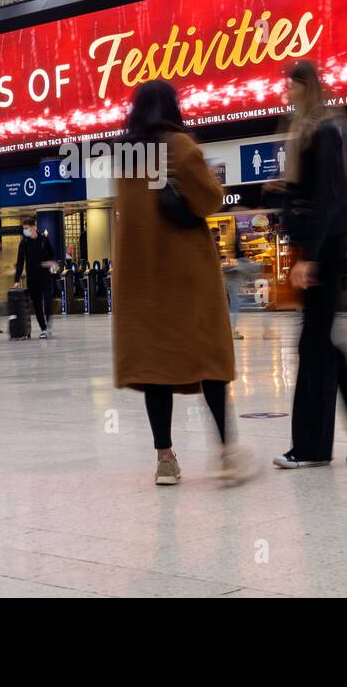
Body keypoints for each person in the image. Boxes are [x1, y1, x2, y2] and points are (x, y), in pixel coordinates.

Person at [112, 80, 255, 486]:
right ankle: (227, 453)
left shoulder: (125, 157)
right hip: (187, 278)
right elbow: (210, 200)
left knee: (155, 366)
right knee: (210, 361)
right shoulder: (181, 147)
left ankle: (165, 459)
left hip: (143, 282)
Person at [273, 61, 347, 469]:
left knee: (313, 345)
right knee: (321, 346)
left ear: (305, 86)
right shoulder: (304, 129)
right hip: (319, 247)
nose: (284, 90)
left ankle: (311, 448)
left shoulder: (320, 132)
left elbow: (326, 199)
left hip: (325, 249)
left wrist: (311, 258)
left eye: (290, 84)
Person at [13, 215, 56, 339]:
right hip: (32, 277)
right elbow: (20, 262)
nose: (24, 230)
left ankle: (48, 326)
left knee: (48, 301)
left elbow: (52, 255)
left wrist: (50, 263)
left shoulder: (44, 240)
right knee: (36, 304)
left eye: (26, 228)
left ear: (33, 227)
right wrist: (16, 280)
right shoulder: (24, 243)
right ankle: (43, 328)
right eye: (24, 228)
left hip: (45, 276)